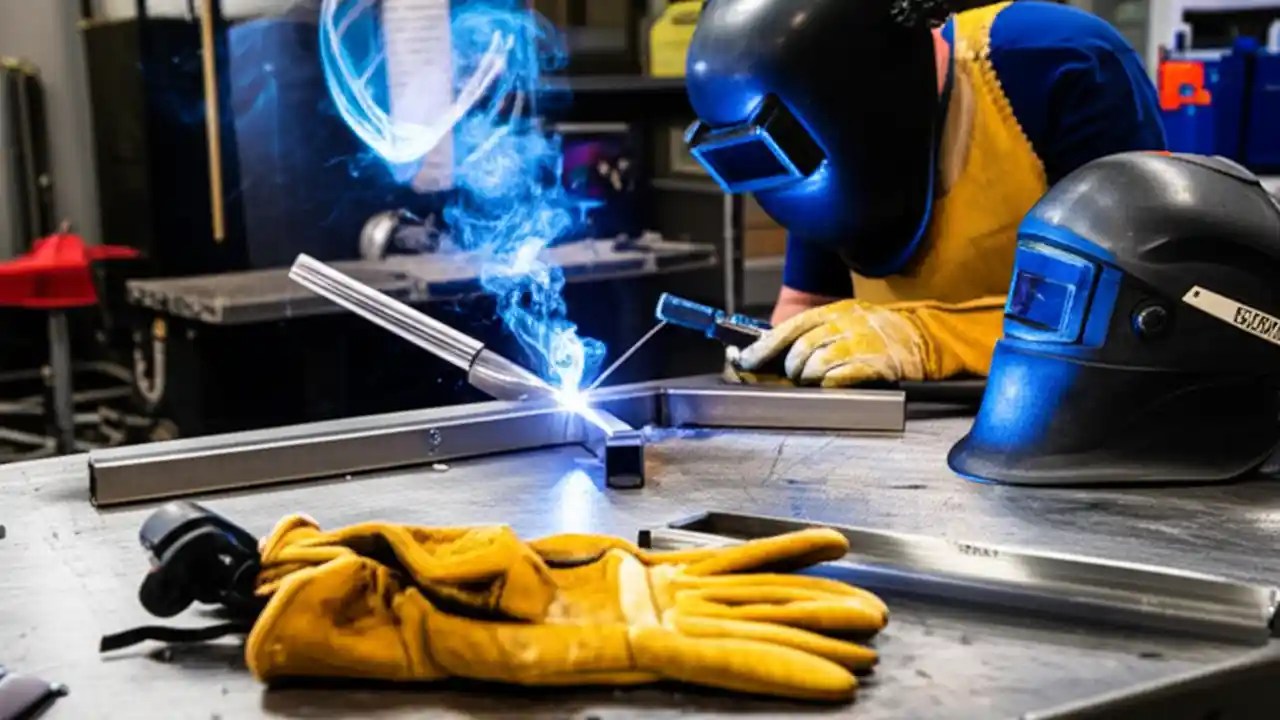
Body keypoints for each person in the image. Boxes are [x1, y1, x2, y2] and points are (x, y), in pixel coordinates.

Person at [683, 0, 1167, 387]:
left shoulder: (1055, 64)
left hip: (1064, 442)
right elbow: (807, 306)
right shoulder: (811, 144)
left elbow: (1141, 314)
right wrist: (782, 357)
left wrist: (933, 338)